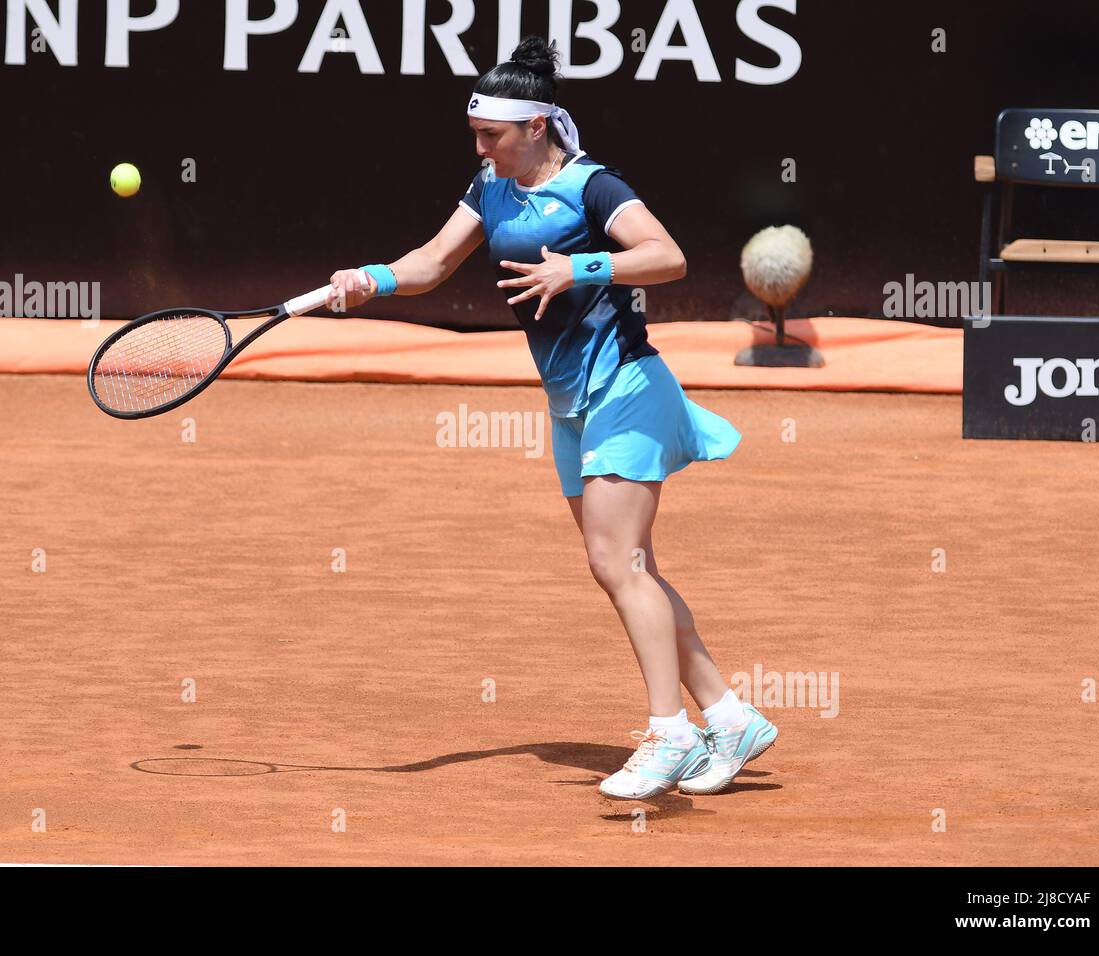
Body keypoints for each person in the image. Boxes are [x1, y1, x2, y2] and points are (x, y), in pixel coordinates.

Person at [328, 37, 777, 800]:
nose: (479, 147)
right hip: (570, 402)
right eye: (475, 135)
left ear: (535, 126)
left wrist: (582, 265)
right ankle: (730, 718)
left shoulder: (593, 186)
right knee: (633, 568)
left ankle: (669, 732)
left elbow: (667, 256)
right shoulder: (489, 185)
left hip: (627, 387)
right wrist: (371, 279)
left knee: (616, 563)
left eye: (491, 135)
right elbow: (433, 264)